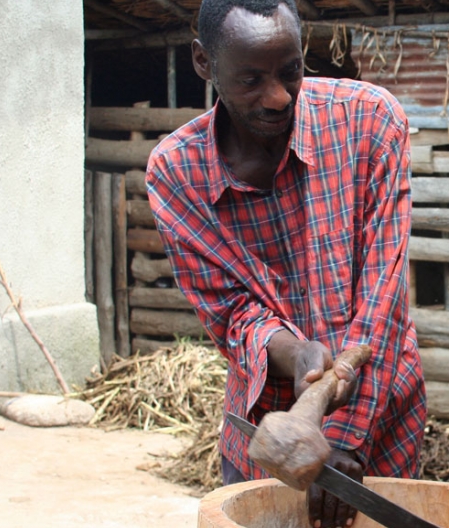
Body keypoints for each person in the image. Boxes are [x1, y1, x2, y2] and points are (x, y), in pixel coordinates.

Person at [145, 1, 426, 526]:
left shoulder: (369, 121)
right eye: (251, 79)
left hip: (380, 420)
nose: (277, 96)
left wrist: (334, 440)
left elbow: (383, 299)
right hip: (265, 430)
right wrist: (296, 354)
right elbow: (233, 315)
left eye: (290, 71)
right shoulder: (177, 172)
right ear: (204, 62)